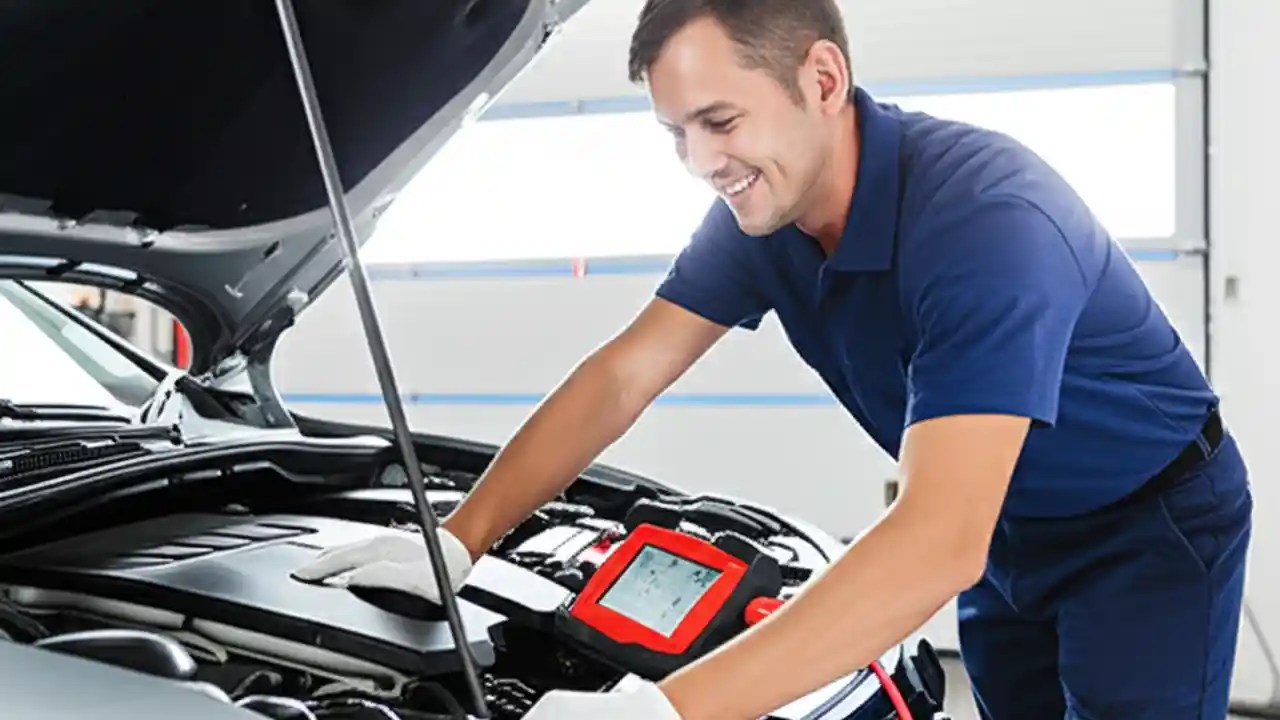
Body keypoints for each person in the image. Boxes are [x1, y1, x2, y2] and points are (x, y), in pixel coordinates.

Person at [294, 1, 1254, 717]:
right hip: (1009, 530)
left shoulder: (987, 225)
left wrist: (670, 710)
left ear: (823, 81)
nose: (701, 161)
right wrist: (460, 540)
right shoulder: (763, 214)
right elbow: (626, 372)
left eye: (721, 121)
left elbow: (936, 542)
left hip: (1145, 527)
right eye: (675, 134)